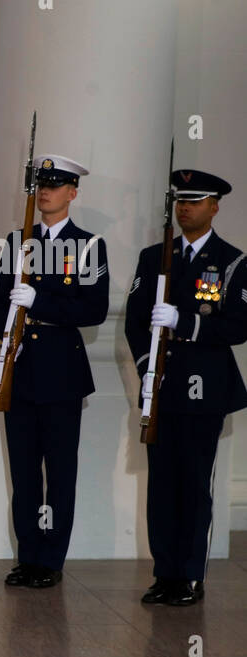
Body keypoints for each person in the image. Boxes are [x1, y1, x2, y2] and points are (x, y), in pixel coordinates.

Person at [124, 169, 245, 606]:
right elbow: (134, 322)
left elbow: (238, 326)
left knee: (195, 485)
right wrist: (147, 367)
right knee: (162, 485)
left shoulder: (232, 262)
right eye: (180, 201)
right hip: (162, 386)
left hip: (204, 390)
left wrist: (187, 323)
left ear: (214, 206)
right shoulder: (154, 257)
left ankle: (191, 574)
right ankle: (165, 573)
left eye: (195, 201)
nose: (185, 208)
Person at [0, 154, 109, 589]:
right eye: (42, 184)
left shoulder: (89, 247)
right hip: (22, 369)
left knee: (59, 473)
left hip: (61, 371)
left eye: (56, 185)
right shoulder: (15, 241)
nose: (46, 191)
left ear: (72, 193)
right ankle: (28, 556)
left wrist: (40, 304)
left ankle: (51, 560)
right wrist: (10, 338)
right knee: (23, 472)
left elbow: (93, 308)